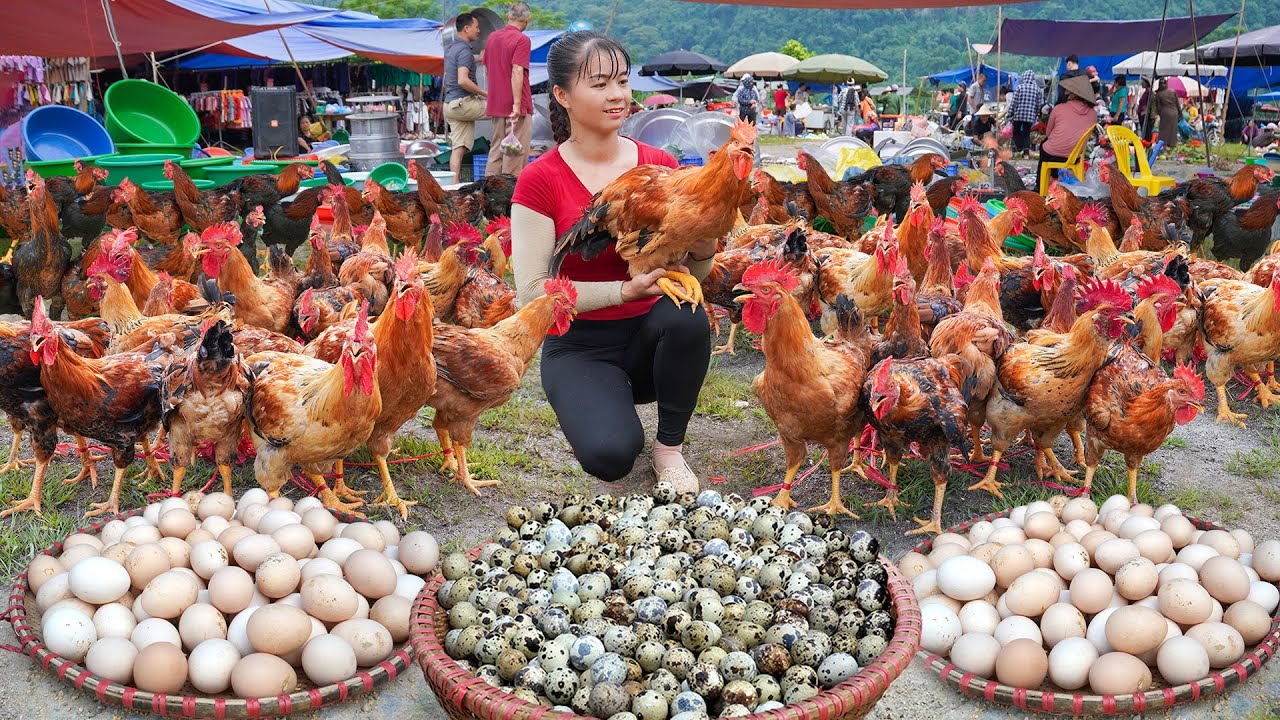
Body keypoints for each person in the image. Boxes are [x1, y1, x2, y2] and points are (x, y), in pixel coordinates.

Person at [510, 31, 713, 491]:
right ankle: (607, 407)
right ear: (561, 95)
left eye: (622, 81)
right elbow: (529, 292)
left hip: (652, 336)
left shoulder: (660, 164)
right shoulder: (540, 180)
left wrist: (704, 246)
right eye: (600, 84)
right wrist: (622, 291)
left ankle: (669, 451)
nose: (618, 94)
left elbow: (694, 272)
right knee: (611, 454)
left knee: (687, 317)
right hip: (579, 346)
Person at [484, 1, 534, 177]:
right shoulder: (522, 40)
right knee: (514, 152)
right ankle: (508, 197)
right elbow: (517, 70)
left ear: (508, 16)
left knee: (497, 149)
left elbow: (488, 68)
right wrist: (517, 104)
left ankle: (488, 194)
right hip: (515, 104)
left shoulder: (492, 38)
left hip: (496, 102)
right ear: (528, 18)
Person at [443, 12, 487, 184]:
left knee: (458, 148)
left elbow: (465, 60)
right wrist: (485, 93)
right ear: (466, 28)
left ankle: (453, 186)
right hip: (463, 103)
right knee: (502, 110)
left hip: (451, 106)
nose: (479, 31)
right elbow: (463, 80)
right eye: (476, 27)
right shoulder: (464, 50)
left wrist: (480, 58)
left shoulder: (453, 48)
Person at [1039, 74, 1098, 184]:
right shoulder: (1093, 114)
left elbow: (1048, 133)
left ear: (1071, 93)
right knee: (1048, 146)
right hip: (1075, 156)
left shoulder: (1059, 108)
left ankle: (1041, 184)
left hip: (1053, 154)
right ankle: (1055, 178)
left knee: (1044, 145)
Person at [1009, 69, 1043, 157]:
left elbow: (1013, 103)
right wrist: (1037, 114)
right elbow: (1039, 105)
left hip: (1018, 115)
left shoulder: (1019, 87)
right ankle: (1026, 154)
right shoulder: (1037, 90)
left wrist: (1010, 114)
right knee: (1026, 134)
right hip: (1030, 117)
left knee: (1016, 133)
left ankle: (1015, 152)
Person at [1154, 78, 1180, 148]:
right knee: (1173, 129)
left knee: (1163, 130)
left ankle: (1163, 145)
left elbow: (1158, 107)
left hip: (1165, 112)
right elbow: (1177, 104)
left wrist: (1159, 113)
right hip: (1174, 112)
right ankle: (1172, 145)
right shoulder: (1173, 91)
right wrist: (1180, 114)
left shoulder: (1159, 94)